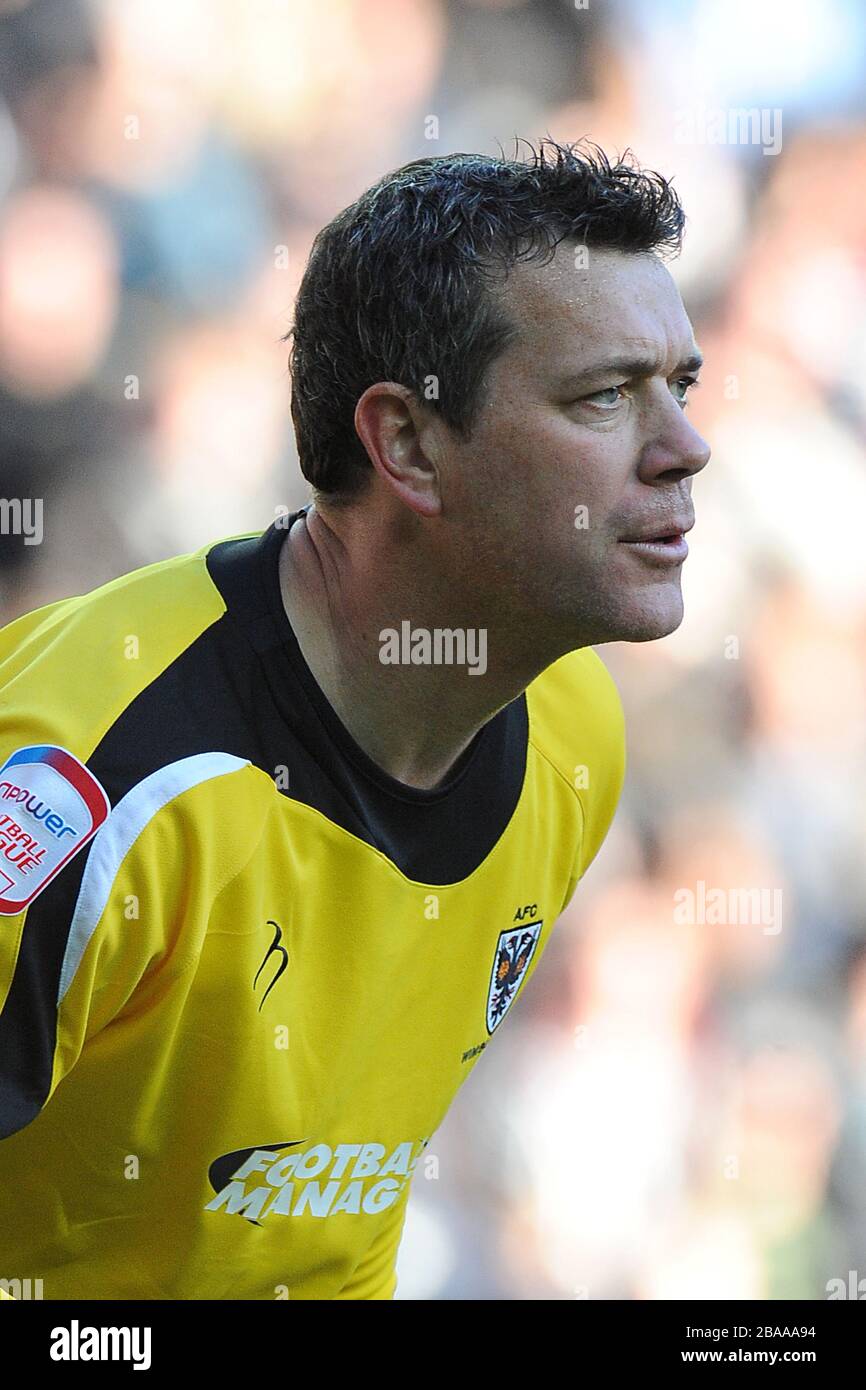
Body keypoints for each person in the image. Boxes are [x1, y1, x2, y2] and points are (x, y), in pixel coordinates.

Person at [0, 140, 710, 1300]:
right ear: (408, 444)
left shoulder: (573, 731)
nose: (683, 448)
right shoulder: (90, 775)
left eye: (678, 386)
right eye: (603, 396)